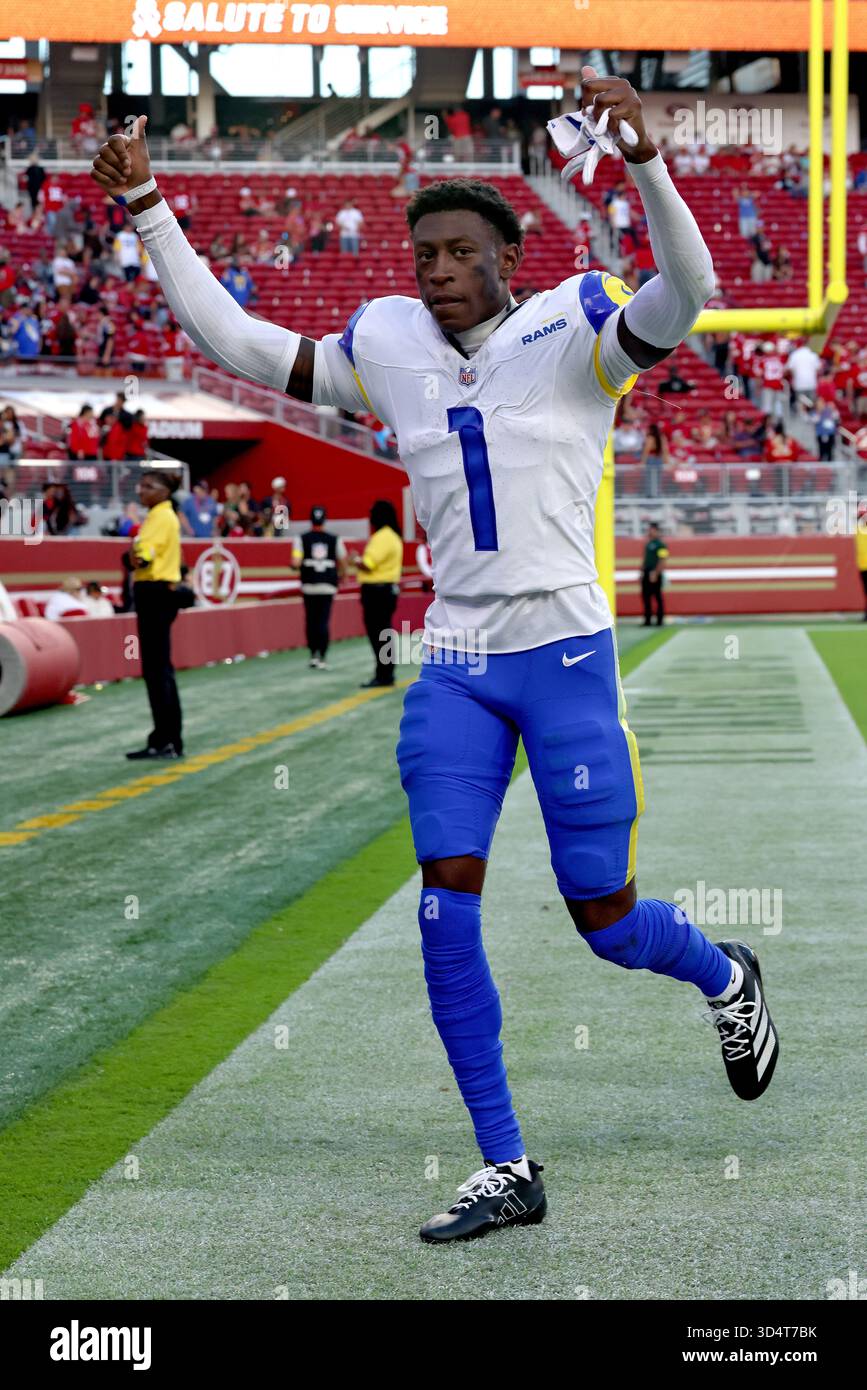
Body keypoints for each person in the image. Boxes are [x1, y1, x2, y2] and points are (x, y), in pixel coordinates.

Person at [94, 84, 779, 1244]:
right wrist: (153, 207)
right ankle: (506, 1162)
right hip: (457, 661)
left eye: (464, 250)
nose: (440, 268)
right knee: (442, 913)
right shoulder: (388, 341)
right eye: (426, 252)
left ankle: (722, 974)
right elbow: (243, 343)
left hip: (564, 652)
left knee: (604, 919)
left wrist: (653, 166)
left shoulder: (577, 325)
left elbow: (693, 291)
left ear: (511, 256)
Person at [127, 469, 184, 759]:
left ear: (164, 491)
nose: (141, 490)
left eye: (148, 486)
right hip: (156, 592)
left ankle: (167, 739)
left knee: (157, 670)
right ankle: (164, 737)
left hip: (155, 593)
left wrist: (134, 555)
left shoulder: (161, 517)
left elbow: (141, 556)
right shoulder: (158, 516)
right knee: (157, 669)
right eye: (141, 485)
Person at [350, 499, 403, 687]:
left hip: (376, 591)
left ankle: (383, 674)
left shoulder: (382, 537)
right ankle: (386, 672)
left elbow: (369, 564)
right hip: (387, 590)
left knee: (378, 633)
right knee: (384, 632)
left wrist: (355, 559)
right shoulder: (394, 537)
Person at [291, 505, 348, 668]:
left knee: (311, 620)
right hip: (328, 585)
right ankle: (322, 656)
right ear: (324, 520)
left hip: (309, 584)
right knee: (323, 620)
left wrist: (294, 565)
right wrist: (344, 575)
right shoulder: (334, 538)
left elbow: (296, 561)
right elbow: (342, 559)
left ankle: (313, 654)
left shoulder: (301, 538)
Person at [640, 521, 668, 625]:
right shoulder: (648, 544)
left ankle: (660, 621)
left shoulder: (661, 545)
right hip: (647, 572)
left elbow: (663, 559)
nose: (649, 532)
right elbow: (646, 559)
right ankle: (647, 620)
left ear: (657, 531)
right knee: (646, 596)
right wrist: (642, 571)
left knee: (657, 596)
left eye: (652, 530)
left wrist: (656, 573)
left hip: (654, 572)